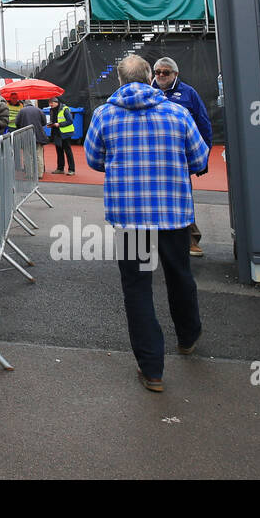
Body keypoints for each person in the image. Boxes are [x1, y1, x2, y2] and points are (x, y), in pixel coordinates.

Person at [83, 54, 210, 393]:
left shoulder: (104, 115)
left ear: (121, 81)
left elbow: (94, 159)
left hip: (130, 216)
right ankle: (187, 337)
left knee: (137, 289)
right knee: (179, 277)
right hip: (173, 213)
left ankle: (152, 369)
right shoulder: (177, 113)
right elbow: (200, 158)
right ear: (149, 78)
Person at [151, 57, 213, 256]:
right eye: (158, 71)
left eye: (165, 72)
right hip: (151, 157)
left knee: (182, 197)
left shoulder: (188, 93)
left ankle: (191, 239)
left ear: (175, 74)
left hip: (179, 158)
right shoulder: (146, 91)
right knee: (149, 198)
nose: (161, 75)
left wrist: (204, 157)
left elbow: (203, 125)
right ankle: (154, 242)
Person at [14, 98, 48, 181]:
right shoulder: (39, 110)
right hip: (39, 135)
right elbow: (44, 122)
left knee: (27, 156)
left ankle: (29, 174)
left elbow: (17, 123)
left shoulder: (21, 111)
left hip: (26, 136)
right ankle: (40, 173)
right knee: (38, 155)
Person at [46, 96, 76, 174]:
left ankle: (71, 169)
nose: (50, 104)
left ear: (56, 102)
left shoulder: (65, 109)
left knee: (68, 151)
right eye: (49, 103)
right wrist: (51, 124)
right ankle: (60, 168)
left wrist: (59, 124)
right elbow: (53, 120)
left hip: (65, 133)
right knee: (59, 151)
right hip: (57, 133)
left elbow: (70, 121)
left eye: (52, 103)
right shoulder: (51, 110)